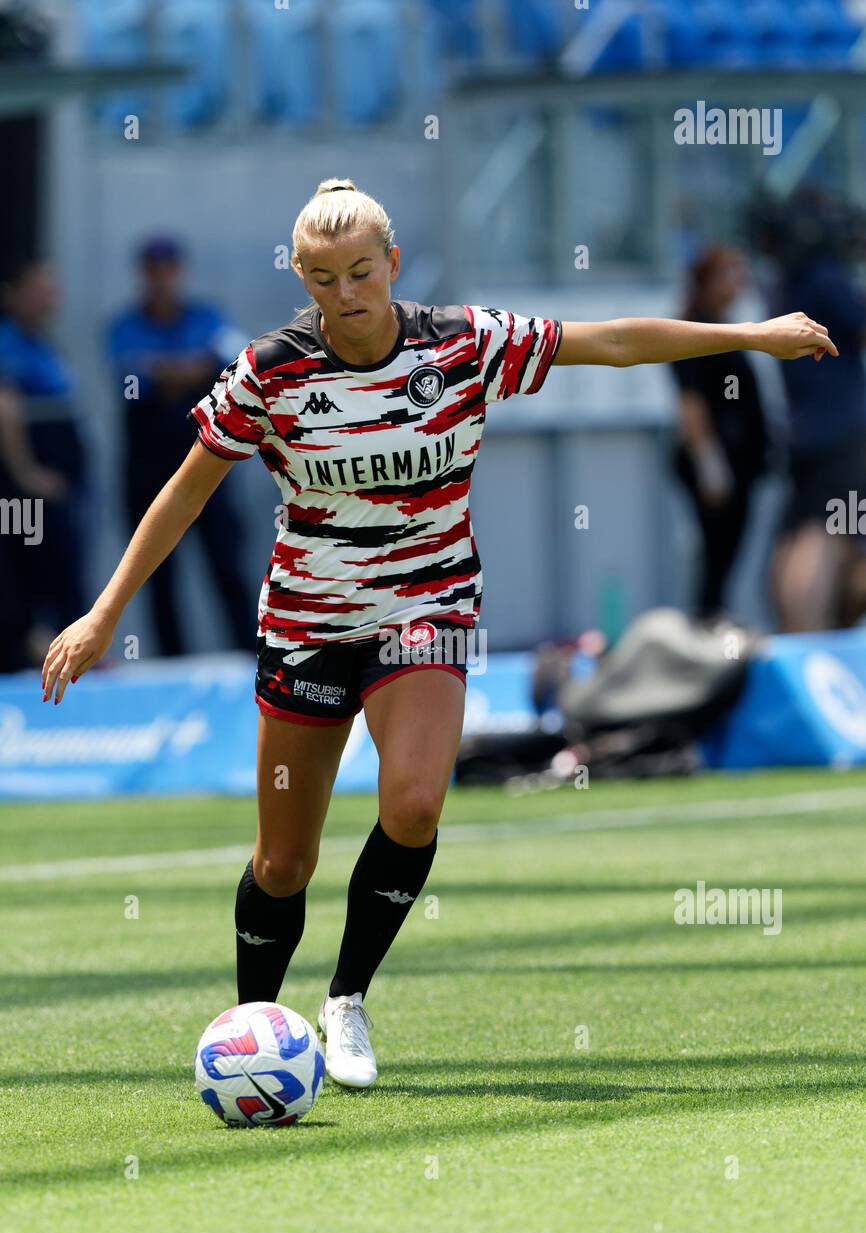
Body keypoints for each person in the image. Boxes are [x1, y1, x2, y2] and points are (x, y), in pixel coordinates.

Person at [42, 178, 836, 1090]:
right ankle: (255, 1028)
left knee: (414, 805)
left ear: (391, 263)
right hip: (307, 623)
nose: (349, 293)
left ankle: (345, 999)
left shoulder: (462, 343)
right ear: (303, 279)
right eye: (326, 278)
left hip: (429, 608)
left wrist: (753, 333)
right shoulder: (271, 371)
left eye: (363, 271)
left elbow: (612, 343)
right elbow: (185, 490)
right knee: (282, 860)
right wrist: (105, 613)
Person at [106, 237, 251, 655]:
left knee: (226, 562)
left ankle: (248, 655)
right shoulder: (124, 325)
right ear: (143, 274)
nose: (162, 279)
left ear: (180, 271)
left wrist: (169, 370)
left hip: (206, 460)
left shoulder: (208, 316)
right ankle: (172, 663)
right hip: (148, 465)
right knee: (156, 569)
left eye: (168, 269)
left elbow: (232, 361)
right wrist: (194, 367)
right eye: (154, 269)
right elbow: (133, 374)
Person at [765, 191, 866, 630]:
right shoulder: (825, 278)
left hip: (807, 434)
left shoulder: (782, 284)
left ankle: (806, 638)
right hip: (842, 434)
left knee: (811, 533)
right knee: (824, 532)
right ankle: (811, 641)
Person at [670, 244, 770, 620]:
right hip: (717, 466)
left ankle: (714, 621)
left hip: (741, 462)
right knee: (715, 554)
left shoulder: (725, 326)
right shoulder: (694, 329)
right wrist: (710, 464)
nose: (737, 281)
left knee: (726, 555)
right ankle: (707, 627)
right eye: (727, 273)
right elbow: (691, 403)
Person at [0, 260, 89, 671]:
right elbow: (6, 407)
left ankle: (66, 653)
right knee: (28, 564)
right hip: (25, 489)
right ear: (13, 294)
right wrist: (26, 473)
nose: (50, 296)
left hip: (57, 481)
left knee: (62, 562)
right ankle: (25, 655)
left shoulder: (45, 343)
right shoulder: (8, 342)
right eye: (39, 287)